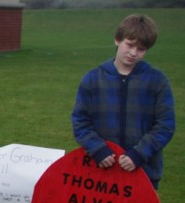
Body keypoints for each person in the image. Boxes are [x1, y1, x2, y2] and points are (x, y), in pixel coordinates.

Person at [71, 14, 175, 190]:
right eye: (130, 45)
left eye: (141, 49)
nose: (133, 53)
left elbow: (165, 125)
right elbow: (80, 122)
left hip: (144, 171)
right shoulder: (93, 79)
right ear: (117, 40)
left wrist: (139, 154)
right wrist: (98, 149)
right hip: (100, 171)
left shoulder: (157, 81)